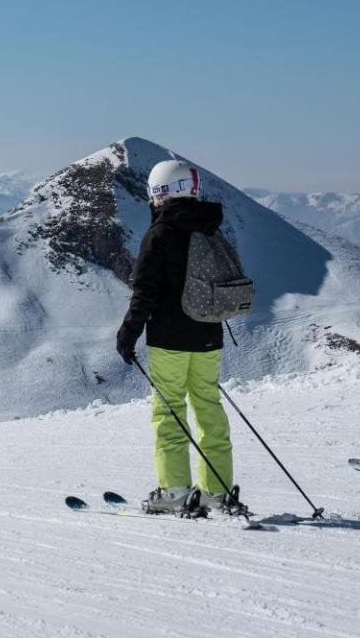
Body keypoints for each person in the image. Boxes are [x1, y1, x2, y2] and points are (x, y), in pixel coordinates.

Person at [114, 160, 237, 515]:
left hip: (169, 340)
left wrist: (127, 334)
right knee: (209, 410)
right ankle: (217, 491)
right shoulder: (211, 229)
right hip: (208, 336)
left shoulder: (160, 235)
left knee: (169, 413)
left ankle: (175, 491)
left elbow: (145, 292)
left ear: (160, 193)